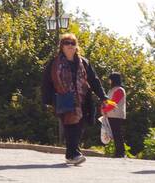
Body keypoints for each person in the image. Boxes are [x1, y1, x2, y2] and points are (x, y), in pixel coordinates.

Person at [40, 33, 106, 166]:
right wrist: (48, 100)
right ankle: (73, 154)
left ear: (76, 46)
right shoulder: (54, 63)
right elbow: (46, 82)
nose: (70, 46)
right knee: (70, 125)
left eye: (73, 43)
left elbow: (94, 80)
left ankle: (72, 154)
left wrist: (103, 96)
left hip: (82, 99)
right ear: (62, 46)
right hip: (64, 98)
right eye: (67, 43)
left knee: (79, 126)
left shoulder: (84, 62)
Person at [103, 72, 128, 158]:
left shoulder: (119, 90)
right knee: (114, 134)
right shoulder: (112, 90)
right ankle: (118, 152)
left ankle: (121, 152)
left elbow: (114, 102)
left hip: (117, 115)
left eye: (110, 79)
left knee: (117, 134)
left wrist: (105, 109)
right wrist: (104, 106)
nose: (109, 81)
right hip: (111, 114)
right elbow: (110, 101)